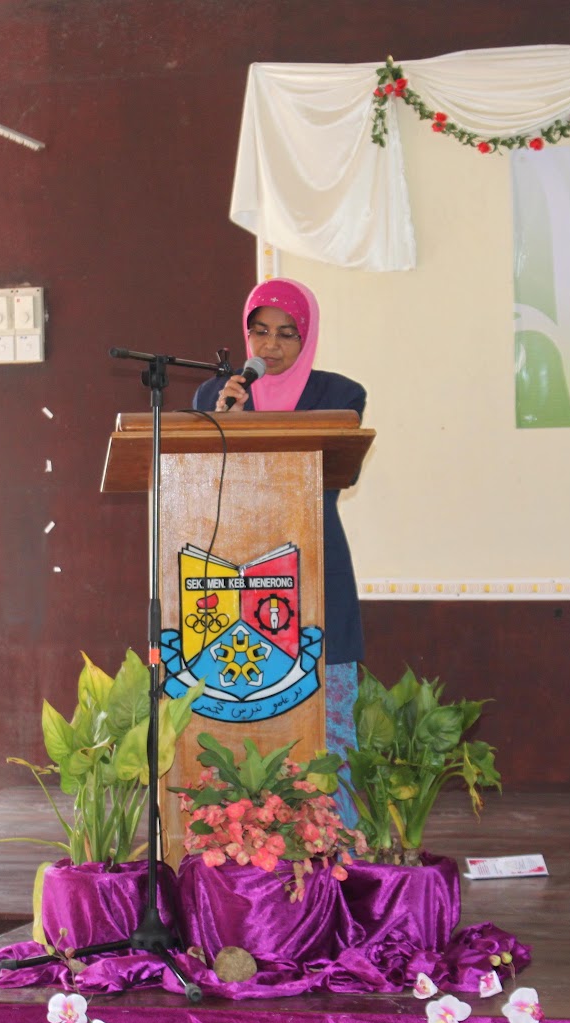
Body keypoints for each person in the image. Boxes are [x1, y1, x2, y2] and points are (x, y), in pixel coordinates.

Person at [194, 278, 366, 826]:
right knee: (240, 712)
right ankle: (245, 842)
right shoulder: (213, 397)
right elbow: (207, 482)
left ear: (307, 336)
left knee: (331, 717)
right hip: (237, 572)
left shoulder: (341, 396)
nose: (270, 346)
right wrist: (230, 419)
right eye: (260, 331)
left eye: (287, 333)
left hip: (317, 566)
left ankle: (342, 847)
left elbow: (325, 468)